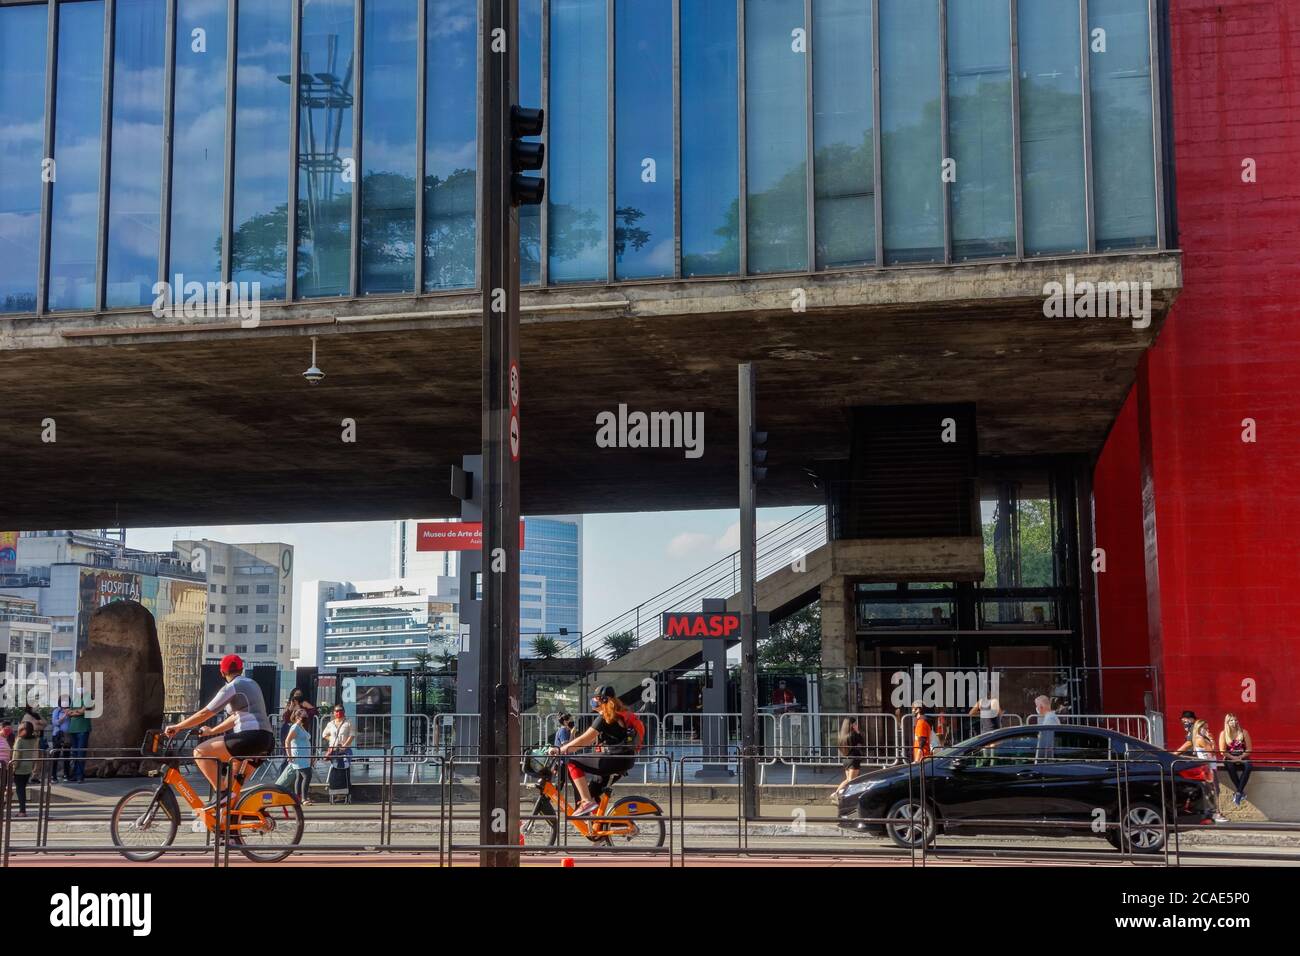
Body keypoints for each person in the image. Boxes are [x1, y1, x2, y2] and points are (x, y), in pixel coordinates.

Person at [163, 654, 274, 827]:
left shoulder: (232, 686)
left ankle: (221, 794)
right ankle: (227, 833)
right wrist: (212, 731)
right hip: (265, 740)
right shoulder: (252, 684)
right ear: (242, 669)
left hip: (248, 738)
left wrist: (178, 727)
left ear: (222, 672)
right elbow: (236, 717)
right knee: (233, 790)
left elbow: (205, 713)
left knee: (200, 752)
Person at [548, 685, 643, 817]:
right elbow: (589, 740)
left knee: (572, 762)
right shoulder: (617, 716)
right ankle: (598, 827)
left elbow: (585, 740)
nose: (592, 700)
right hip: (623, 760)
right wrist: (570, 743)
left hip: (613, 759)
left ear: (602, 700)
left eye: (595, 698)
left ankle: (586, 802)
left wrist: (560, 750)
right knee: (592, 793)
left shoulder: (605, 718)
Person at [1191, 718, 1228, 823]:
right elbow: (1211, 752)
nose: (1206, 730)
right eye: (1204, 728)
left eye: (1207, 728)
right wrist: (1212, 741)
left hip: (1210, 766)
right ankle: (1216, 813)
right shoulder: (1200, 739)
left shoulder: (1203, 738)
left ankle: (1214, 812)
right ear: (1199, 728)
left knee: (1213, 790)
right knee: (1214, 790)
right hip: (1208, 768)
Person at [1219, 713, 1253, 808]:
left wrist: (1240, 757)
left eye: (1235, 720)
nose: (1234, 722)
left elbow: (1249, 749)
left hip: (1242, 755)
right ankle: (1240, 792)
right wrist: (1233, 758)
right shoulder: (1223, 733)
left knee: (1248, 766)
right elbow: (1222, 751)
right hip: (1229, 756)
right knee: (1230, 765)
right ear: (1227, 722)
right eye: (1231, 720)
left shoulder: (1244, 732)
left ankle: (1238, 793)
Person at [831, 717, 866, 801]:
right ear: (852, 725)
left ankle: (837, 794)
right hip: (854, 759)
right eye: (855, 724)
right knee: (851, 781)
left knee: (849, 779)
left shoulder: (841, 736)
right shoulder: (853, 735)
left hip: (846, 759)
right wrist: (858, 731)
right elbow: (862, 741)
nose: (856, 725)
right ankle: (841, 795)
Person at [284, 709, 313, 805]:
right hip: (299, 756)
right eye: (303, 716)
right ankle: (304, 798)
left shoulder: (301, 727)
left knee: (299, 777)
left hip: (305, 755)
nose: (305, 717)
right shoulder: (295, 727)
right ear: (297, 717)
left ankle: (297, 797)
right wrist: (289, 755)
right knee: (307, 775)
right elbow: (287, 741)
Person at [10, 723, 37, 817]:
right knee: (22, 788)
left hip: (20, 767)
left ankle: (22, 811)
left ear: (23, 729)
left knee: (20, 789)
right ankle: (23, 810)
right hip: (28, 766)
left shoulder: (19, 740)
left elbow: (16, 755)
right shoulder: (33, 739)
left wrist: (13, 768)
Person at [65, 695, 92, 784]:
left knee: (81, 753)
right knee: (75, 753)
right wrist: (76, 712)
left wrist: (73, 712)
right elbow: (68, 712)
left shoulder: (88, 697)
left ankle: (80, 775)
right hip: (73, 729)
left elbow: (83, 711)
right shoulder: (75, 698)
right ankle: (75, 775)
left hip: (83, 729)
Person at [50, 695, 73, 783]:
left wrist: (69, 713)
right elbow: (55, 722)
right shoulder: (57, 710)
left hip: (67, 735)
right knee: (56, 755)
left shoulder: (71, 710)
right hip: (58, 735)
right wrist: (64, 716)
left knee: (67, 755)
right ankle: (53, 776)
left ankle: (66, 774)